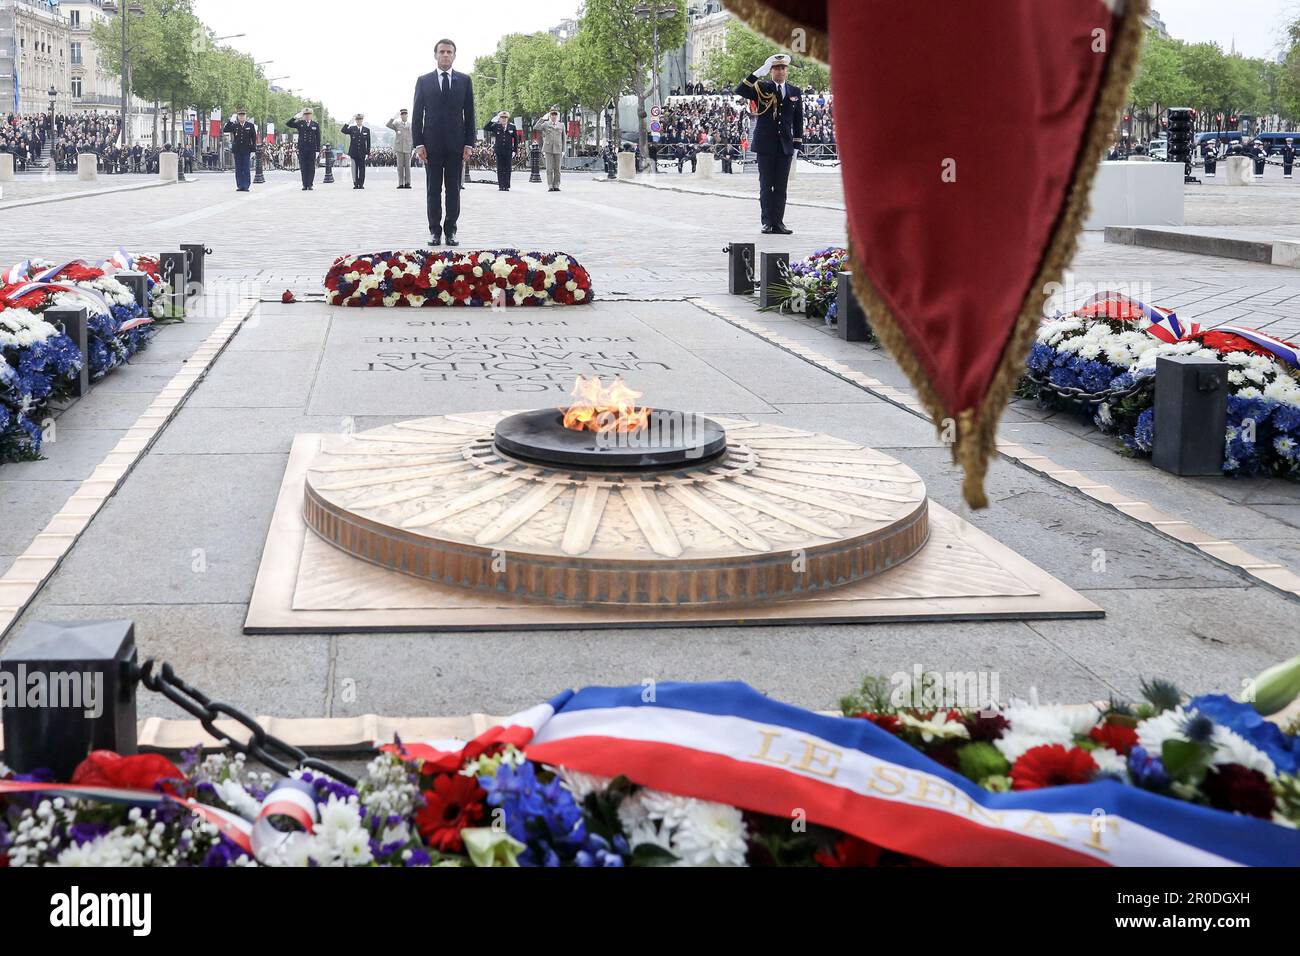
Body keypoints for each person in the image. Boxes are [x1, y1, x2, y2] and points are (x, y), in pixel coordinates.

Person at [412, 37, 476, 246]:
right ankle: (434, 231)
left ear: (454, 56)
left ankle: (451, 231)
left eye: (449, 52)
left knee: (453, 190)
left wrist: (469, 144)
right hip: (431, 146)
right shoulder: (424, 81)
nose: (445, 55)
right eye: (442, 52)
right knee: (433, 190)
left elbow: (470, 114)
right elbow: (416, 115)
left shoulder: (465, 81)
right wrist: (418, 143)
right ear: (435, 55)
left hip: (456, 146)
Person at [735, 53, 802, 234]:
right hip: (765, 145)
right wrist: (759, 72)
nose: (780, 71)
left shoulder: (795, 91)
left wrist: (796, 145)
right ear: (771, 71)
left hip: (785, 146)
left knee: (781, 187)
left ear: (786, 71)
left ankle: (778, 222)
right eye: (776, 68)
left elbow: (798, 120)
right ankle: (767, 222)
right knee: (766, 185)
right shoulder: (762, 88)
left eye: (782, 68)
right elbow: (740, 89)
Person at [223, 108, 258, 192]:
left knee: (246, 168)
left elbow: (253, 138)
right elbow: (225, 129)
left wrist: (253, 149)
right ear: (238, 117)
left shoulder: (250, 125)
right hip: (237, 150)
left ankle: (246, 185)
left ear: (246, 117)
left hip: (246, 149)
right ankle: (240, 185)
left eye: (243, 116)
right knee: (238, 168)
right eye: (240, 116)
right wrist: (230, 121)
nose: (241, 117)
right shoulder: (235, 125)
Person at [287, 107, 322, 190]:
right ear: (303, 116)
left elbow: (318, 138)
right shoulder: (300, 123)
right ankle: (304, 184)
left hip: (312, 149)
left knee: (311, 167)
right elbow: (288, 124)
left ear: (311, 115)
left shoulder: (315, 124)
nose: (307, 116)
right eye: (305, 115)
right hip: (302, 148)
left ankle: (310, 184)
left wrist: (318, 150)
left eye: (308, 114)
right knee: (303, 167)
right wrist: (295, 117)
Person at [483, 111, 517, 191]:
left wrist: (515, 150)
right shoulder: (496, 126)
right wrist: (492, 120)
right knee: (500, 168)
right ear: (499, 119)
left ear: (507, 119)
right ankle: (501, 185)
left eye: (505, 118)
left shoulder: (512, 127)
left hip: (508, 151)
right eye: (502, 118)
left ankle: (507, 185)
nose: (504, 119)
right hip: (499, 151)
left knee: (508, 168)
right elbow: (486, 128)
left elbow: (516, 140)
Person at [537, 105, 565, 191]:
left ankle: (556, 185)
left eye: (555, 114)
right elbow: (536, 127)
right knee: (549, 169)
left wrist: (563, 150)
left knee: (557, 169)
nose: (553, 116)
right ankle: (550, 185)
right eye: (552, 114)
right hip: (548, 149)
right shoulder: (546, 124)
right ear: (550, 115)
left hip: (558, 149)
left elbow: (564, 138)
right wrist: (542, 118)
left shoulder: (561, 125)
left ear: (557, 115)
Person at [342, 114, 372, 189]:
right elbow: (343, 130)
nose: (359, 121)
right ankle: (355, 183)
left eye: (360, 119)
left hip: (362, 152)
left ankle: (361, 184)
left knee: (362, 169)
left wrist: (367, 153)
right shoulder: (352, 128)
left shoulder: (366, 130)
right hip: (353, 152)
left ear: (362, 120)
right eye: (357, 119)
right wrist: (349, 122)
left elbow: (368, 142)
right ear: (356, 120)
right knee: (354, 169)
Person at [387, 109, 414, 189]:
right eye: (402, 114)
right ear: (401, 115)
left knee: (408, 167)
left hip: (408, 147)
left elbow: (413, 136)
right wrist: (394, 118)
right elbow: (388, 125)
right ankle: (400, 183)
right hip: (399, 148)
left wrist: (413, 148)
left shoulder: (410, 125)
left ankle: (408, 183)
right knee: (400, 167)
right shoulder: (397, 123)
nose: (404, 115)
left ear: (407, 115)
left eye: (405, 114)